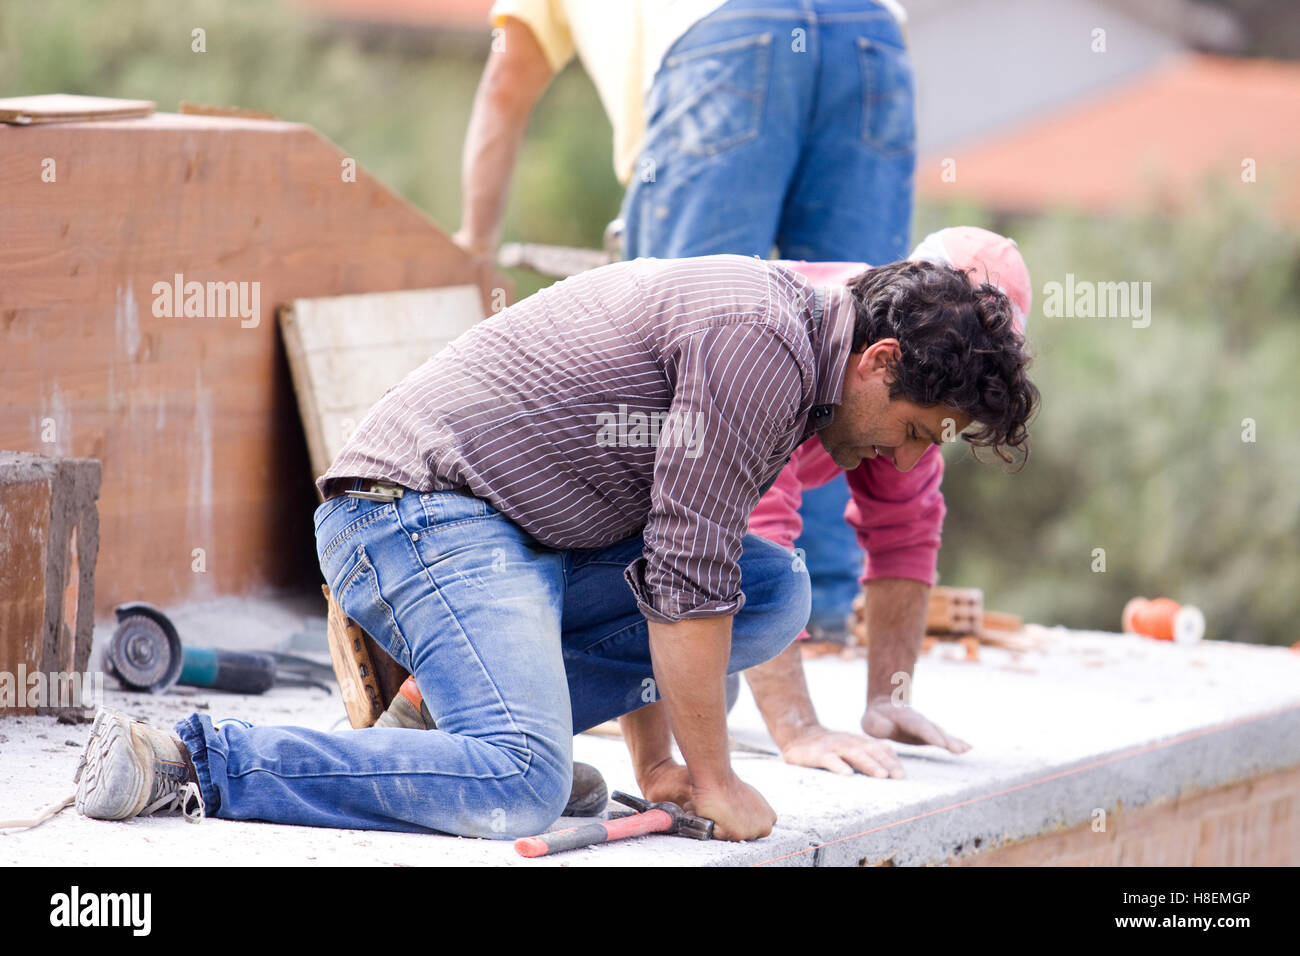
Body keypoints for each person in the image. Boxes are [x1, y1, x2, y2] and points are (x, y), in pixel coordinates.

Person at [74, 253, 1037, 842]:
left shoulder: (799, 365)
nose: (905, 455)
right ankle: (190, 760)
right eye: (918, 426)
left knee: (773, 591)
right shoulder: (762, 343)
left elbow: (665, 561)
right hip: (412, 512)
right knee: (522, 784)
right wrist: (716, 780)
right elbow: (684, 590)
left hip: (521, 534)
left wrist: (662, 767)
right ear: (879, 362)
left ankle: (434, 706)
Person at [456, 0, 917, 681]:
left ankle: (711, 658)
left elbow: (505, 83)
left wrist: (475, 242)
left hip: (726, 39)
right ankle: (814, 625)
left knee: (698, 358)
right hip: (871, 36)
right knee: (863, 349)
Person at [740, 227, 1034, 779]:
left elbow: (906, 529)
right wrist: (797, 728)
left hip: (676, 535)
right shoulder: (785, 346)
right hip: (594, 514)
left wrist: (889, 697)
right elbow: (751, 534)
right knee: (687, 668)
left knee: (716, 662)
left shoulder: (918, 381)